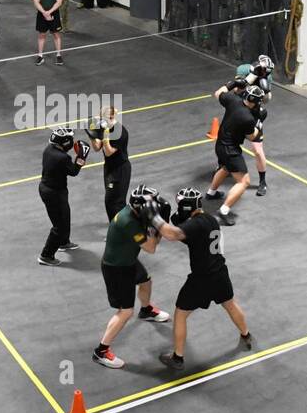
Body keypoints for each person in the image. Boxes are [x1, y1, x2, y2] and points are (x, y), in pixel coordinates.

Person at [148, 188, 253, 369]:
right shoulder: (211, 220)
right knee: (230, 304)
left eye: (181, 205)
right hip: (220, 273)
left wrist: (154, 218)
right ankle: (246, 334)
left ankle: (178, 358)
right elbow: (189, 235)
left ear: (187, 207)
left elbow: (173, 234)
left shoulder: (195, 225)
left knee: (180, 314)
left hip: (201, 279)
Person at [90, 186, 173, 369]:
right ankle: (101, 351)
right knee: (125, 312)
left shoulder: (136, 214)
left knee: (146, 281)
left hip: (128, 261)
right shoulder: (128, 221)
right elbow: (151, 248)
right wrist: (157, 224)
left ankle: (146, 310)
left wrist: (158, 222)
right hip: (117, 269)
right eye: (152, 205)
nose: (155, 207)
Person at [205, 82, 264, 225]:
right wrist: (259, 122)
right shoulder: (248, 119)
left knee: (226, 168)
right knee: (244, 181)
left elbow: (218, 93)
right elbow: (252, 137)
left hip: (220, 145)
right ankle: (224, 210)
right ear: (255, 102)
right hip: (230, 150)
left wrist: (232, 84)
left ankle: (211, 193)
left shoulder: (233, 100)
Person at [38, 127, 86, 266]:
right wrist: (81, 158)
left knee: (66, 216)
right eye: (70, 140)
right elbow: (73, 171)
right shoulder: (62, 157)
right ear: (64, 142)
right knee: (59, 226)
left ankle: (64, 242)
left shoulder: (49, 149)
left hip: (54, 189)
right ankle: (46, 255)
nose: (72, 142)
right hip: (53, 193)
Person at [230, 55, 275, 196]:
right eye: (264, 72)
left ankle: (263, 182)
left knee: (257, 149)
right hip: (238, 107)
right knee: (228, 140)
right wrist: (252, 77)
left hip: (254, 113)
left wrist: (266, 91)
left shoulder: (267, 77)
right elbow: (236, 90)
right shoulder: (243, 69)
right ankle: (224, 165)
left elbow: (266, 100)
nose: (266, 74)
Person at [88, 106, 131, 221]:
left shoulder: (120, 132)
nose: (100, 120)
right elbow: (97, 147)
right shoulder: (105, 127)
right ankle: (115, 227)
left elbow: (108, 152)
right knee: (110, 201)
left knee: (116, 202)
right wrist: (92, 136)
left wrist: (105, 137)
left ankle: (123, 228)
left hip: (120, 169)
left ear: (111, 117)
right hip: (109, 168)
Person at [33, 0, 65, 65]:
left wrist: (49, 12)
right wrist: (44, 12)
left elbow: (59, 2)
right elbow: (36, 2)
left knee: (56, 34)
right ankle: (40, 56)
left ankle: (58, 55)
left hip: (54, 14)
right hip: (42, 14)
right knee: (42, 34)